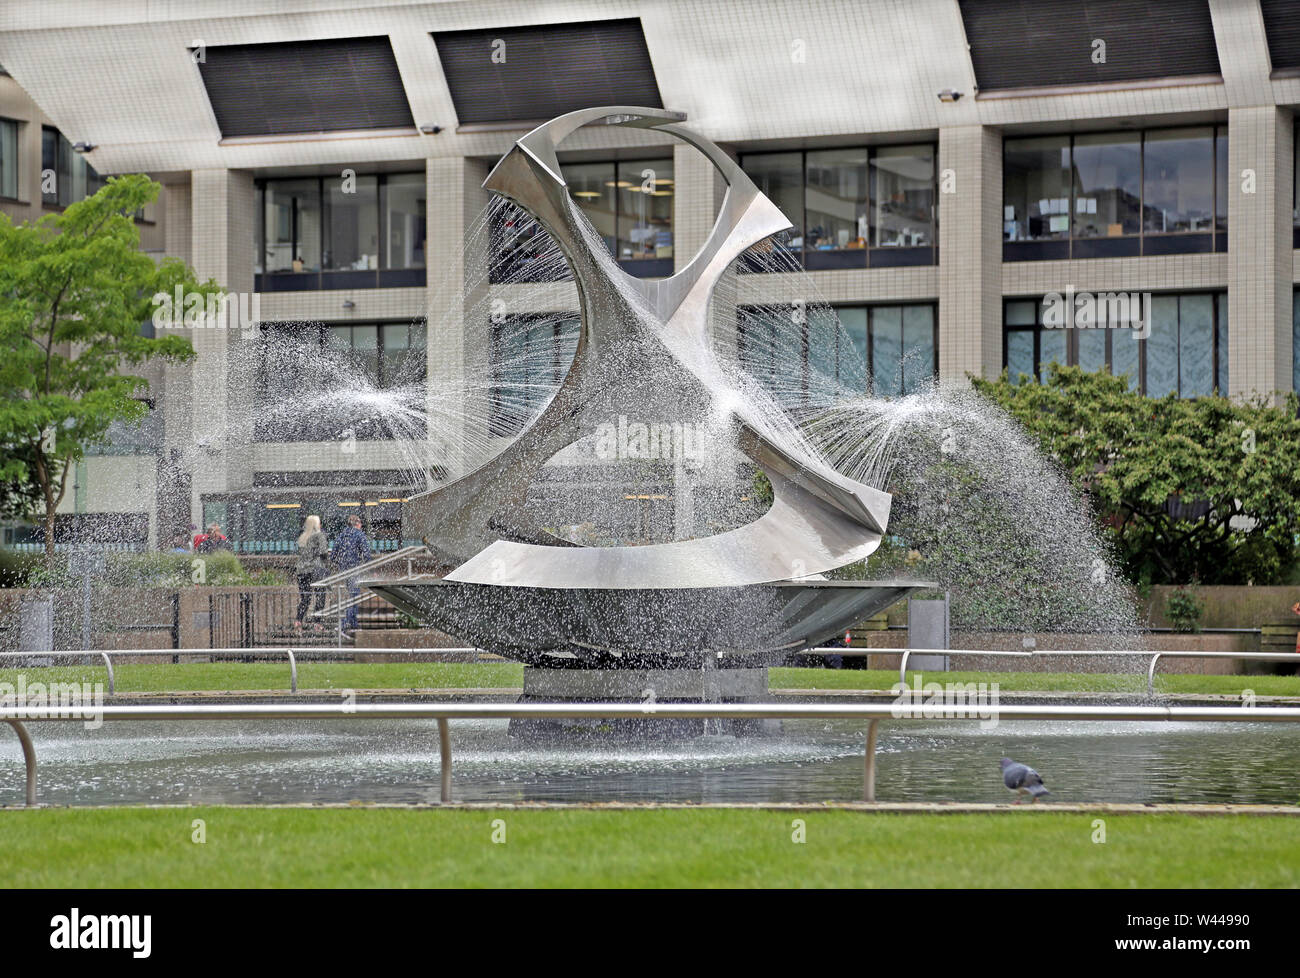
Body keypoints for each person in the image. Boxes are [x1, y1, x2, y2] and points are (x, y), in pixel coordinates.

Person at [332, 513, 370, 634]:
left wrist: (340, 564)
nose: (361, 525)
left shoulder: (342, 535)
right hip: (355, 569)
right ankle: (344, 624)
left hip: (345, 570)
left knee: (352, 595)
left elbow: (333, 555)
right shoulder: (359, 534)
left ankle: (353, 624)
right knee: (354, 597)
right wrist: (369, 566)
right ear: (357, 524)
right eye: (361, 523)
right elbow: (366, 553)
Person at [293, 514, 329, 631]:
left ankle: (298, 620)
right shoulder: (319, 535)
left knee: (306, 598)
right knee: (320, 596)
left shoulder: (302, 537)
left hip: (302, 571)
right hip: (315, 570)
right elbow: (323, 553)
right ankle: (317, 623)